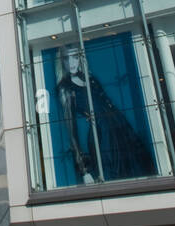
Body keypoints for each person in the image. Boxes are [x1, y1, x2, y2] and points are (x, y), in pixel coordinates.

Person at [56, 43, 154, 183]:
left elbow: (107, 104)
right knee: (111, 175)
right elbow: (71, 130)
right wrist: (84, 170)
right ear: (62, 61)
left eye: (75, 57)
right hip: (101, 137)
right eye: (66, 58)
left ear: (80, 58)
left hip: (120, 131)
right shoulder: (65, 88)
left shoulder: (91, 79)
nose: (71, 62)